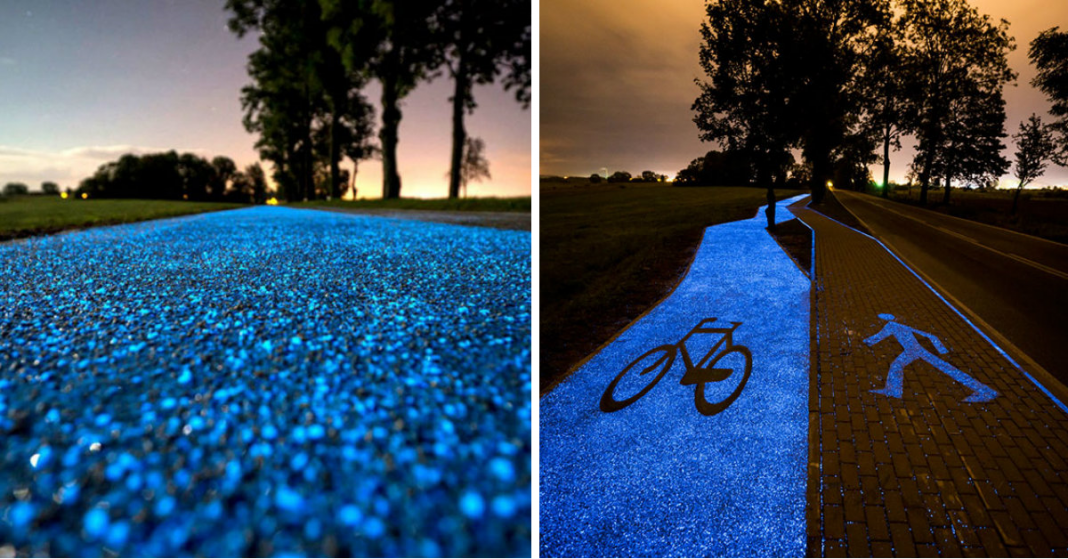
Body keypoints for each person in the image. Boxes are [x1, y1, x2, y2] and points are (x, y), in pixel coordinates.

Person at [864, 313, 996, 403]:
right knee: (898, 365)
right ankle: (893, 390)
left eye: (883, 317)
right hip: (915, 350)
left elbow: (879, 336)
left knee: (944, 368)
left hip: (915, 350)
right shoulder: (901, 326)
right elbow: (930, 335)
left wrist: (867, 342)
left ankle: (983, 390)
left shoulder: (891, 326)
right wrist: (941, 350)